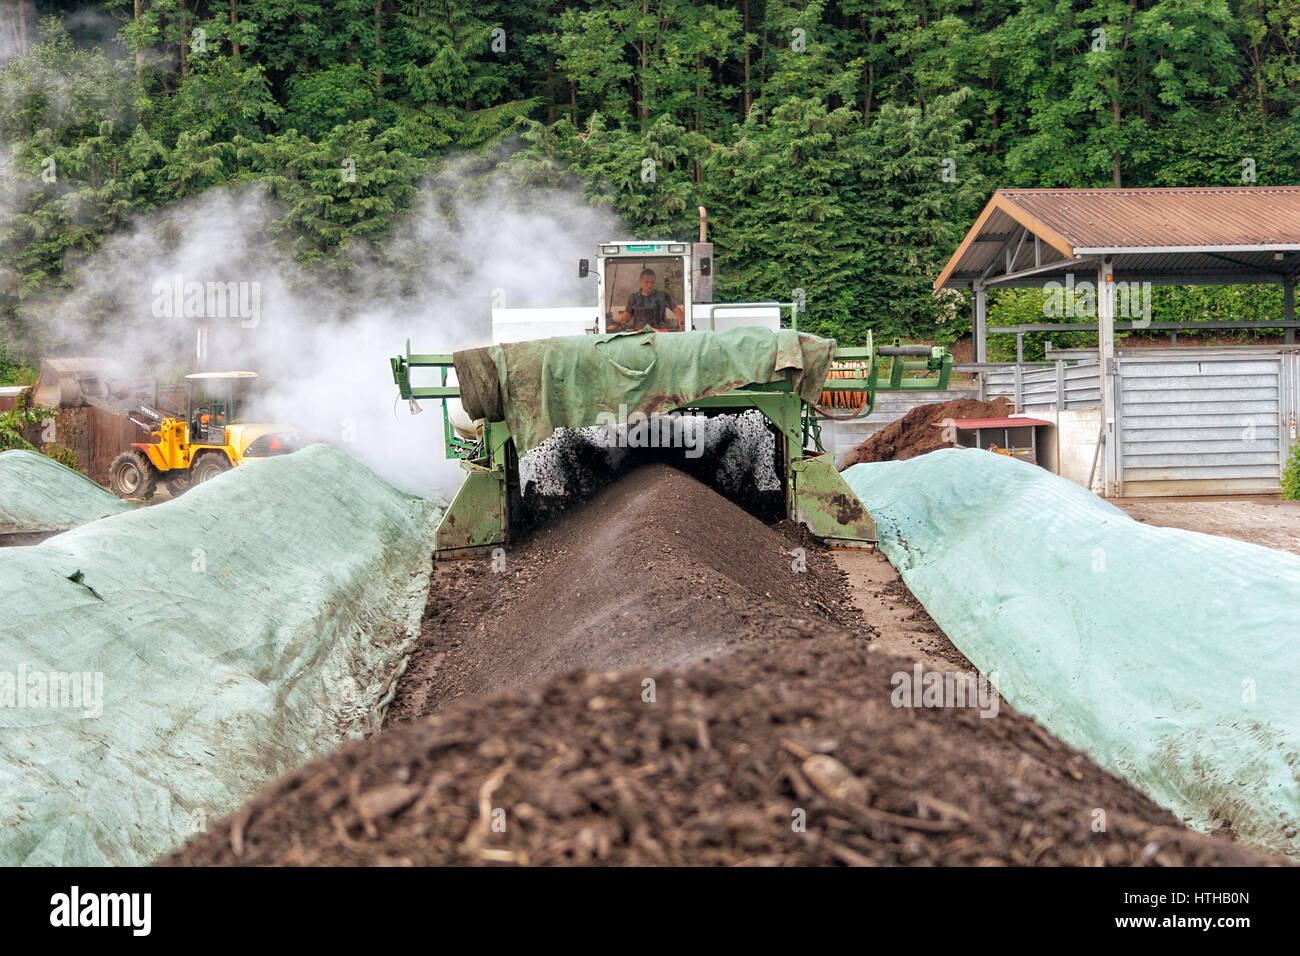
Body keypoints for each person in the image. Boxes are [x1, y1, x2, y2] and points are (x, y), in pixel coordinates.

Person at [613, 268, 685, 331]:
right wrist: (614, 326)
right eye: (646, 282)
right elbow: (627, 315)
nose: (649, 285)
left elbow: (677, 310)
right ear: (640, 281)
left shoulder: (662, 296)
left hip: (660, 335)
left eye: (652, 282)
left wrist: (682, 325)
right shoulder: (634, 297)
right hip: (639, 335)